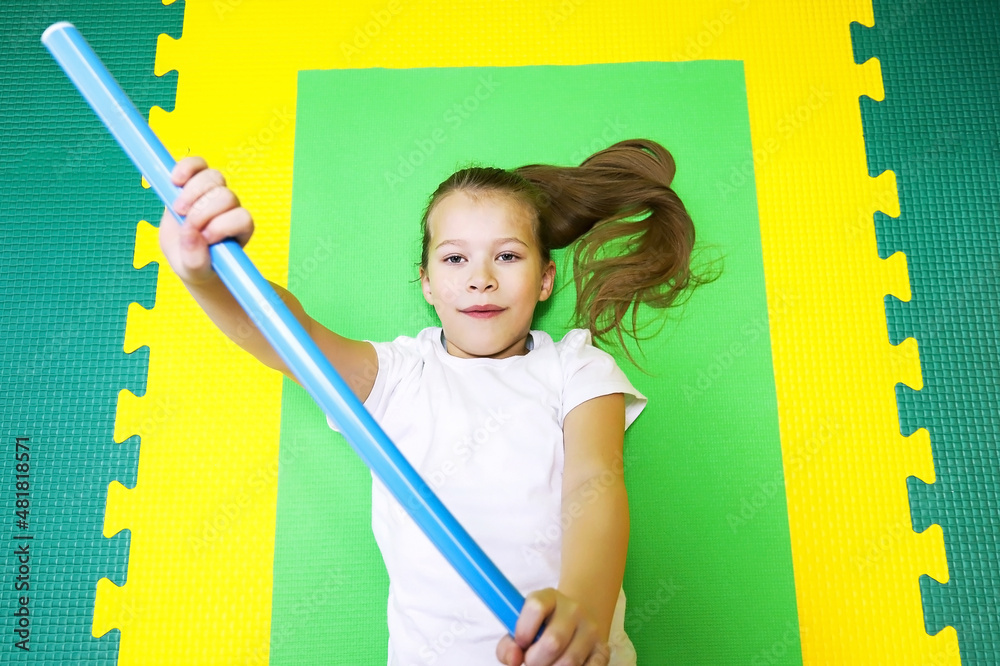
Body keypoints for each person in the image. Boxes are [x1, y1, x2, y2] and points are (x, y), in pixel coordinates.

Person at [158, 139, 703, 666]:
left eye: (508, 256)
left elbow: (595, 482)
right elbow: (287, 336)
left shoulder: (576, 366)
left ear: (545, 279)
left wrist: (582, 613)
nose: (481, 279)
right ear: (427, 282)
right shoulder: (399, 375)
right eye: (455, 258)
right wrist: (206, 274)